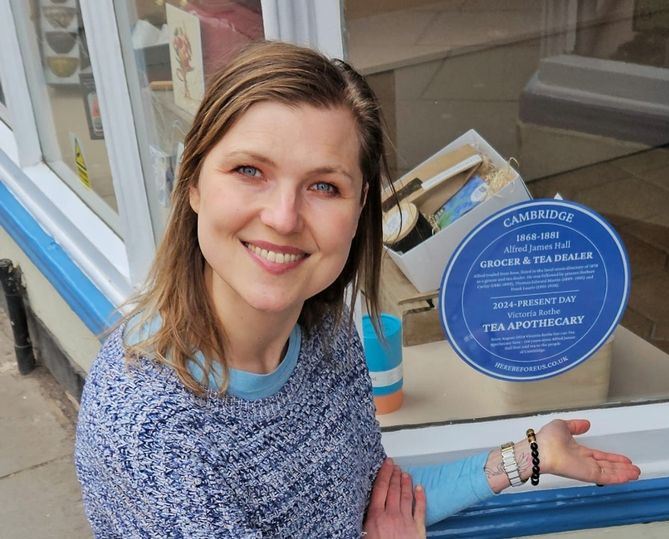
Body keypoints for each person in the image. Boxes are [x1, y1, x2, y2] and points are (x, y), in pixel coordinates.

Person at [74, 40, 640, 538]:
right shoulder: (150, 429)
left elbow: (371, 500)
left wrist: (531, 456)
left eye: (324, 185)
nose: (283, 216)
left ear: (360, 208)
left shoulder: (323, 330)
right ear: (192, 182)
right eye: (249, 170)